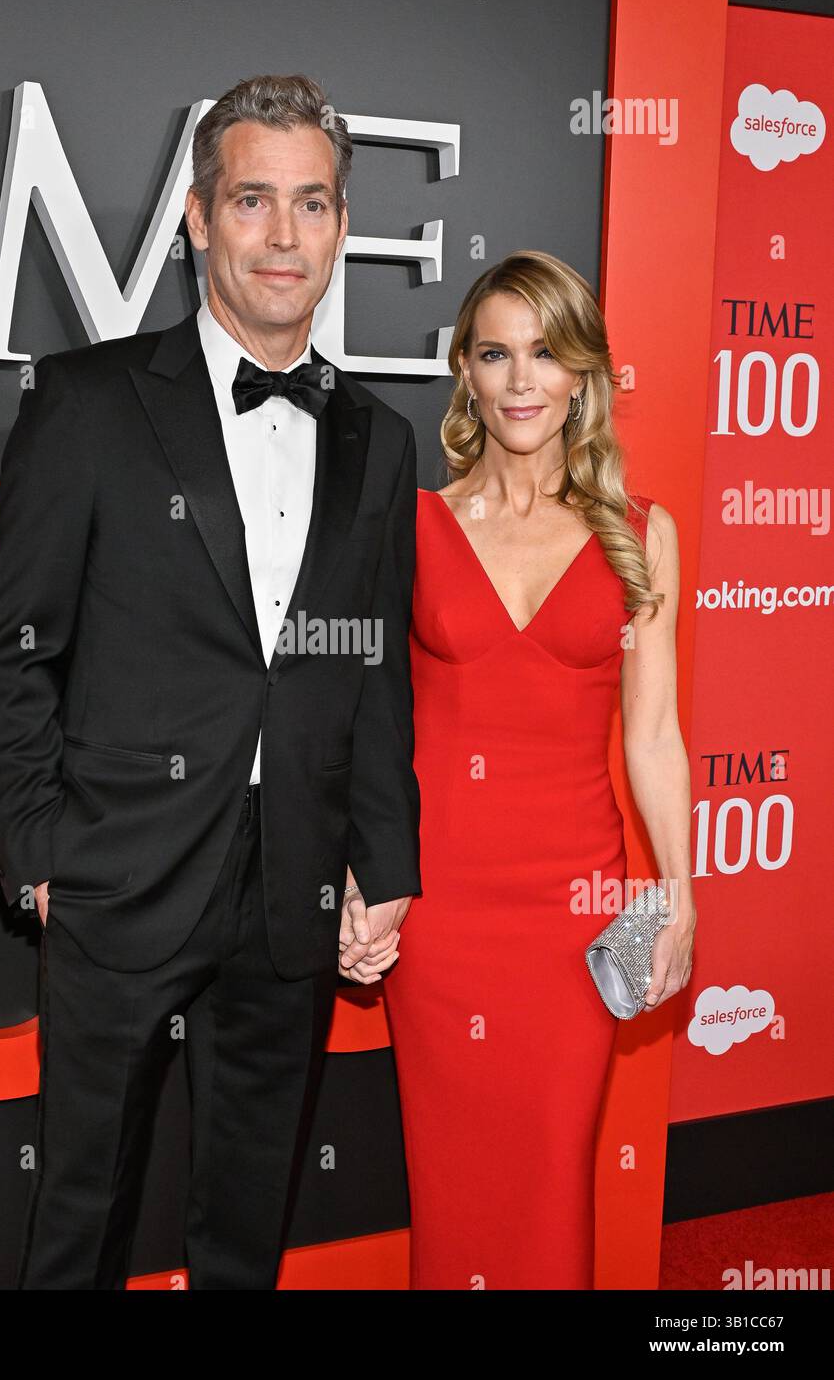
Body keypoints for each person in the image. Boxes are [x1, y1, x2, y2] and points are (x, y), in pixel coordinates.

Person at [0, 73, 420, 1290]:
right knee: (82, 1219)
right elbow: (16, 652)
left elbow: (368, 663)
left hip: (292, 888)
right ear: (197, 218)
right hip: (120, 873)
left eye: (313, 204)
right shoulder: (88, 403)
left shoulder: (378, 438)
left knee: (247, 1218)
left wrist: (382, 862)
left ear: (340, 226)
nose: (284, 236)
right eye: (254, 200)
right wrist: (40, 854)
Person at [363, 251, 696, 1289]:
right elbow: (361, 726)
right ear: (462, 370)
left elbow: (650, 733)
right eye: (495, 353)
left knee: (551, 1173)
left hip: (571, 912)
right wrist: (362, 873)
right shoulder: (411, 526)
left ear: (581, 375)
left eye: (545, 353)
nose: (520, 380)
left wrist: (677, 892)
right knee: (450, 1185)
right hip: (442, 914)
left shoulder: (640, 536)